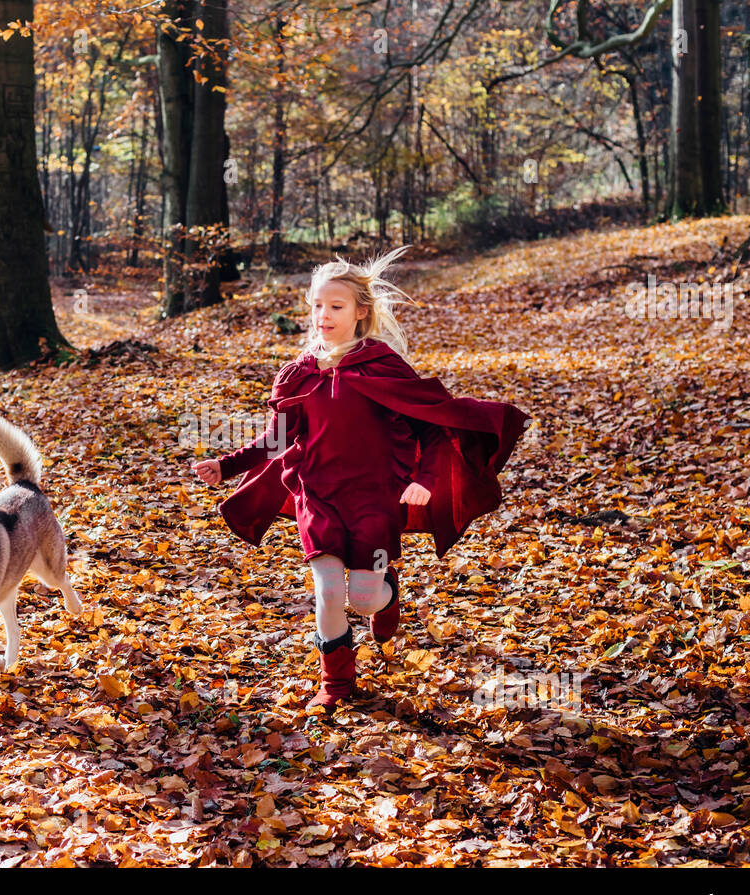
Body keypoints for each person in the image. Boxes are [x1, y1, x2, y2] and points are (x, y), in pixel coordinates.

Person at [193, 246, 530, 710]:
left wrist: (426, 479)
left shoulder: (383, 366)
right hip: (318, 495)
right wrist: (227, 465)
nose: (323, 316)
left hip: (374, 498)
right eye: (316, 306)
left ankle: (386, 596)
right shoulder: (296, 376)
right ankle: (336, 683)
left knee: (365, 600)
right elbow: (277, 440)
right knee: (329, 592)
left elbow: (432, 425)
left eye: (335, 307)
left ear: (360, 312)